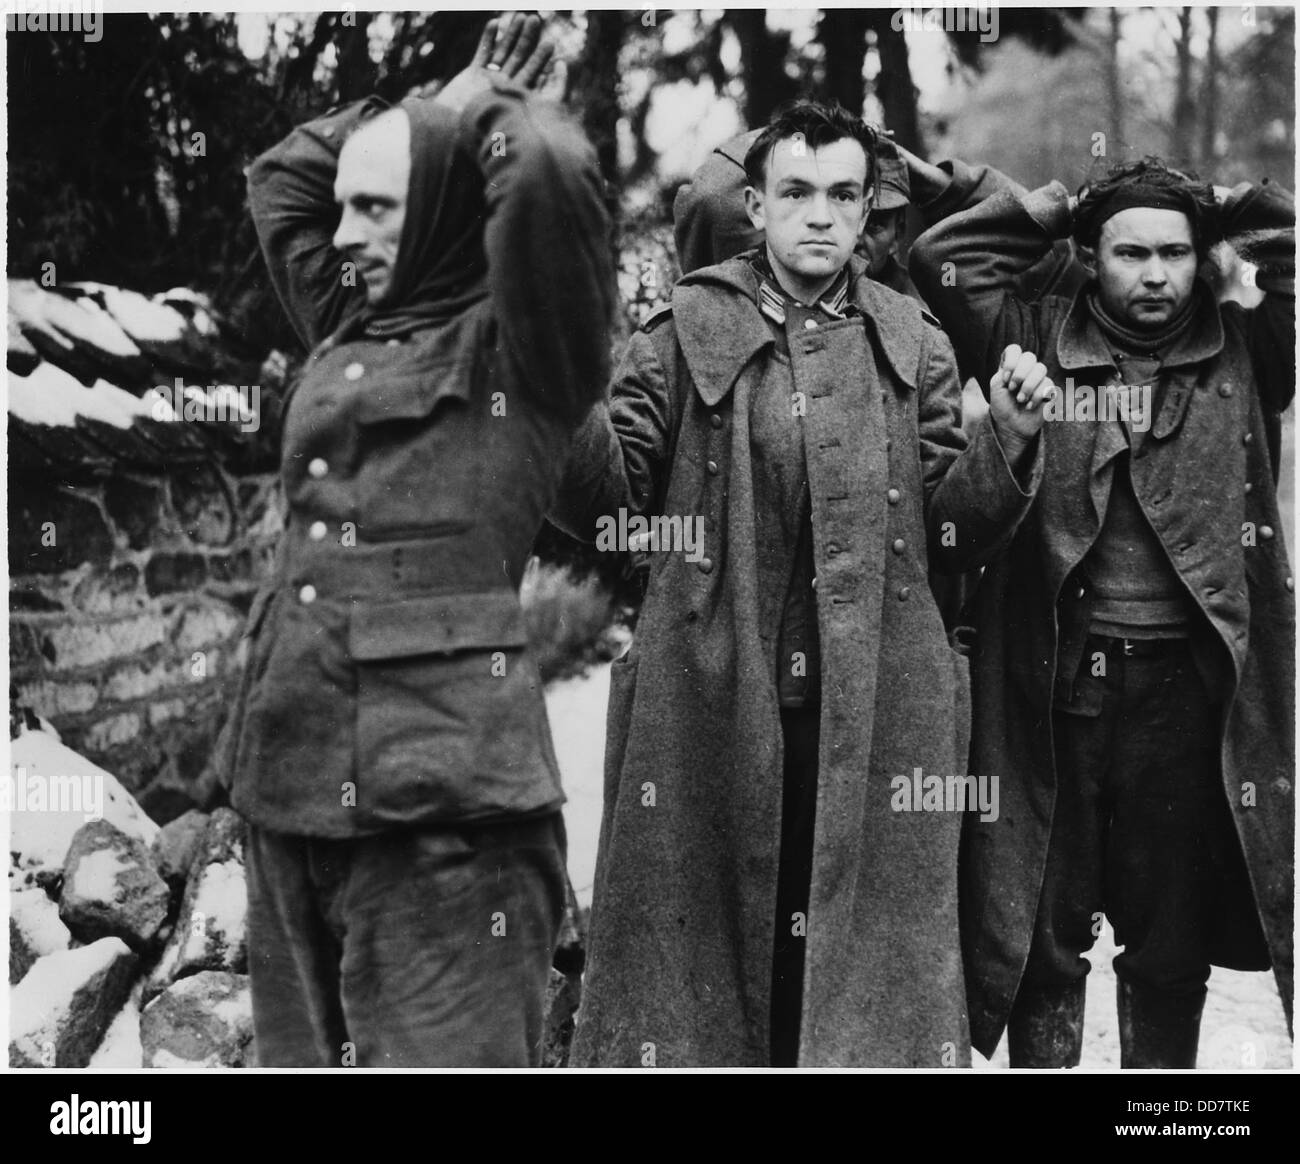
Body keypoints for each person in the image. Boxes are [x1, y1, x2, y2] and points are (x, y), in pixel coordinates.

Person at [554, 100, 1055, 1067]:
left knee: (848, 984)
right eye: (795, 193)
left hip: (871, 720)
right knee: (705, 978)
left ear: (869, 212)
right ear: (756, 203)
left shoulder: (915, 340)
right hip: (707, 714)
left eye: (842, 195)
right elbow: (607, 503)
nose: (819, 216)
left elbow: (953, 528)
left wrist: (1011, 443)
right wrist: (557, 397)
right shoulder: (682, 329)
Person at [215, 14, 613, 1066]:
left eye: (376, 206)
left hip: (447, 818)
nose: (342, 234)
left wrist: (470, 112)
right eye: (345, 209)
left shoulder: (522, 344)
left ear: (439, 209)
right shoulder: (351, 324)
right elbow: (276, 180)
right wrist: (439, 94)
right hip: (288, 786)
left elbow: (547, 175)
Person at [910, 158, 1295, 1067]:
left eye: (1177, 252)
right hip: (1055, 690)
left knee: (1170, 941)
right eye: (1129, 253)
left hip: (1188, 700)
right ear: (1090, 255)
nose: (1156, 275)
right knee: (1042, 932)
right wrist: (1062, 204)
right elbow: (945, 254)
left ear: (1205, 259)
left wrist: (1234, 204)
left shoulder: (1252, 350)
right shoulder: (1031, 334)